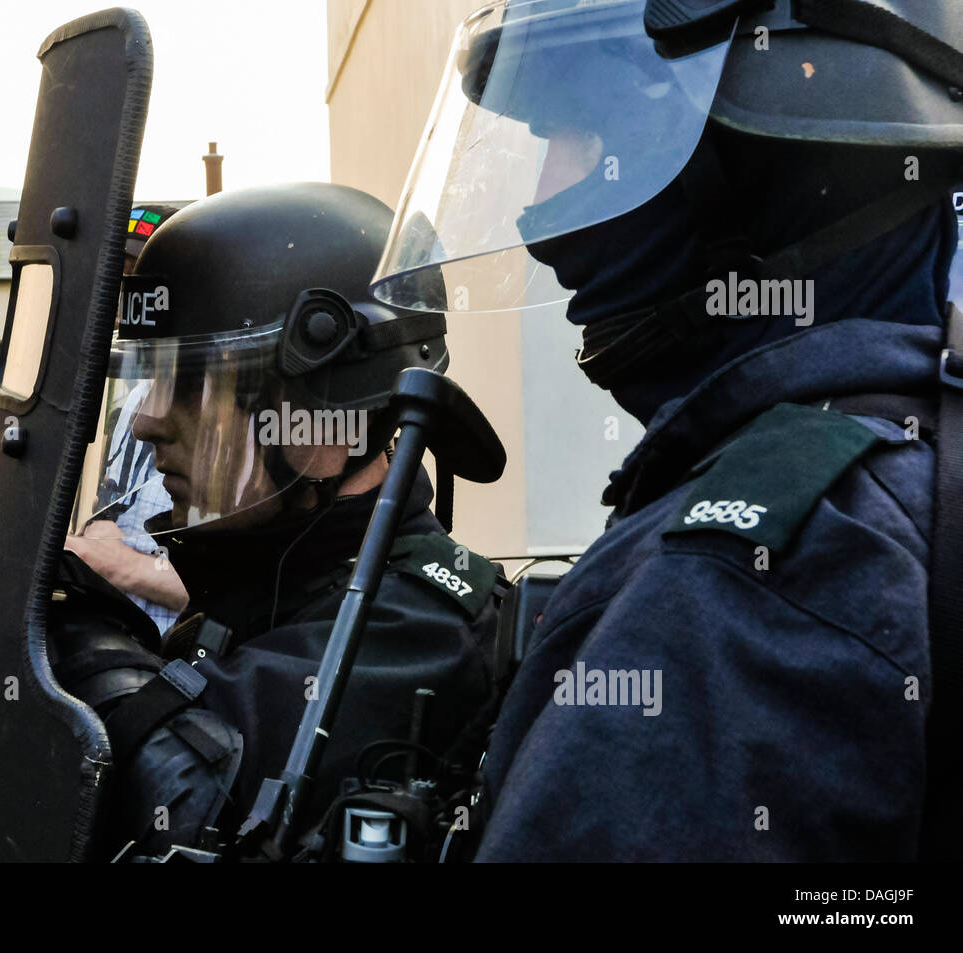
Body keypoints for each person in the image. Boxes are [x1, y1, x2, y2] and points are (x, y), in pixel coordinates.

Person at [369, 0, 963, 860]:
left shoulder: (737, 584)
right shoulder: (917, 459)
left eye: (576, 128)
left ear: (762, 158)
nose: (540, 218)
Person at [53, 182, 506, 860]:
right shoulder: (272, 578)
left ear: (317, 419)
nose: (146, 418)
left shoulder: (420, 635)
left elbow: (188, 799)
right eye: (149, 381)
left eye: (189, 382)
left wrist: (79, 629)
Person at [66, 203, 190, 636]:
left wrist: (118, 565)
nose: (125, 306)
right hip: (115, 645)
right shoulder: (132, 394)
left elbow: (251, 585)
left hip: (177, 662)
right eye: (115, 284)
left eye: (139, 282)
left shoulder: (228, 413)